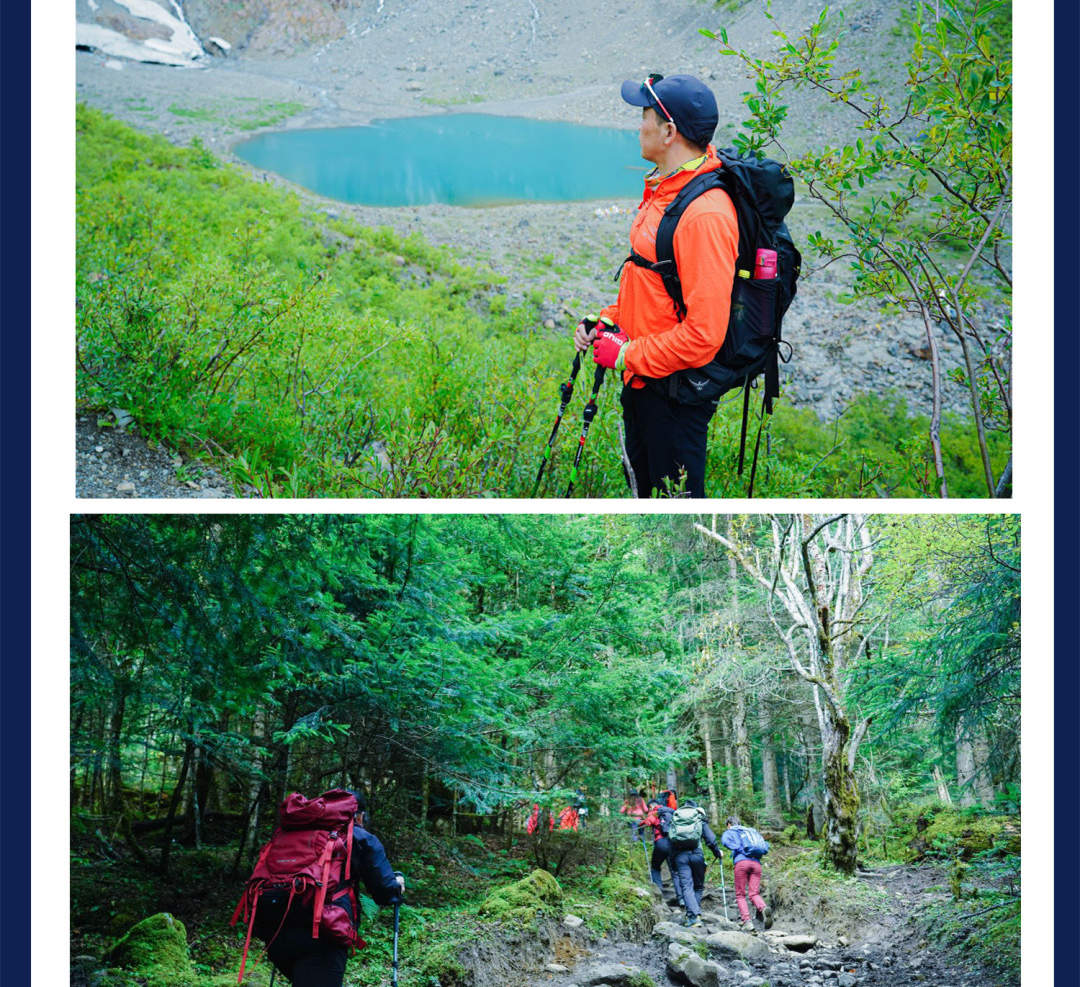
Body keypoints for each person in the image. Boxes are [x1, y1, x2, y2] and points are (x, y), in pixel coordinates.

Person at [573, 73, 738, 498]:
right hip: (645, 384)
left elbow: (704, 334)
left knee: (673, 502)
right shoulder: (665, 191)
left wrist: (626, 353)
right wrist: (608, 321)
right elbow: (656, 290)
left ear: (669, 132)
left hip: (675, 401)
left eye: (645, 116)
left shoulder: (705, 215)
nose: (639, 125)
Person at [266, 791, 405, 987]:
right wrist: (396, 884)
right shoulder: (357, 836)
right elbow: (384, 892)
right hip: (323, 934)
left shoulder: (296, 833)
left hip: (276, 929)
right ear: (359, 815)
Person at [667, 799, 724, 928]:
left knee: (686, 887)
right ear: (694, 808)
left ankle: (693, 916)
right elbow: (710, 839)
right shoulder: (698, 817)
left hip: (680, 857)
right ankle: (695, 914)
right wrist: (717, 852)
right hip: (697, 855)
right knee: (698, 887)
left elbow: (670, 842)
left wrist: (672, 863)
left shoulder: (676, 819)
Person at [721, 814, 772, 932]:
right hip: (757, 865)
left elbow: (725, 841)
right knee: (754, 893)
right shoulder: (750, 831)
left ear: (729, 824)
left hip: (742, 863)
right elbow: (766, 845)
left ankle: (747, 922)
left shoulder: (732, 831)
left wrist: (738, 849)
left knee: (740, 895)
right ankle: (763, 908)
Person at [641, 797, 683, 908]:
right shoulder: (670, 812)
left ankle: (659, 894)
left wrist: (640, 825)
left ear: (651, 806)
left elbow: (648, 822)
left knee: (655, 867)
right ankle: (681, 898)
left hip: (660, 843)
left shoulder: (655, 812)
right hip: (673, 844)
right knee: (675, 872)